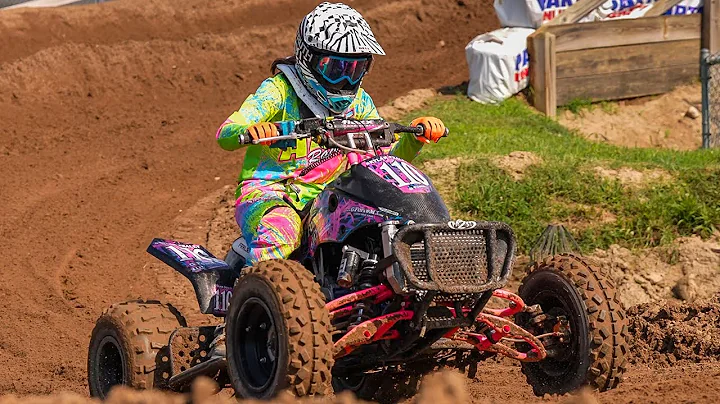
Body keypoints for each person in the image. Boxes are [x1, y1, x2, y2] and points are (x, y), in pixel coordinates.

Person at [215, 1, 446, 268]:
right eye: (335, 70)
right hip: (270, 194)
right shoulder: (278, 92)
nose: (346, 81)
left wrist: (413, 139)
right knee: (282, 234)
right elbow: (226, 133)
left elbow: (381, 160)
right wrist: (253, 130)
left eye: (355, 69)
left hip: (330, 197)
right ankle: (253, 297)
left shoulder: (359, 103)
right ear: (308, 58)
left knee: (379, 224)